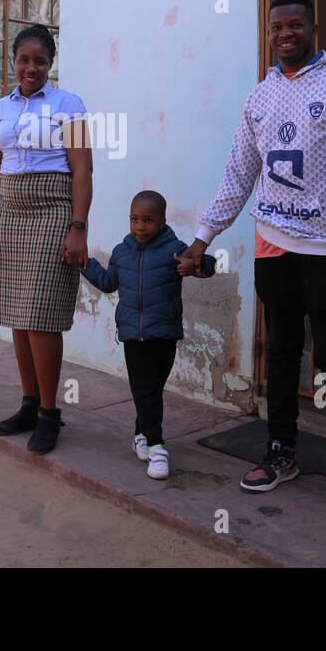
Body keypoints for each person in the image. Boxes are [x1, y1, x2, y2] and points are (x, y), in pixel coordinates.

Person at [178, 0, 326, 524]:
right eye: (277, 27)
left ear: (313, 28)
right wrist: (204, 236)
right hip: (273, 243)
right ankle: (281, 450)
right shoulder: (260, 97)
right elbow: (238, 175)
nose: (285, 34)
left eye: (295, 25)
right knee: (279, 352)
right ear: (269, 33)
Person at [0, 24, 92, 455]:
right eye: (25, 59)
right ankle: (27, 404)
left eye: (40, 60)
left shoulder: (69, 105)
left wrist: (78, 228)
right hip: (9, 213)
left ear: (50, 63)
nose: (32, 67)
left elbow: (82, 170)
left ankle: (49, 413)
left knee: (41, 314)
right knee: (18, 315)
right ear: (13, 61)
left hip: (52, 210)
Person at [80, 190, 216, 480]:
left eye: (148, 220)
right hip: (132, 335)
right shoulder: (121, 251)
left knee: (152, 389)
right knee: (146, 390)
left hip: (164, 333)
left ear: (163, 221)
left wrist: (197, 266)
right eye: (135, 219)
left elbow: (208, 264)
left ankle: (141, 432)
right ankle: (156, 447)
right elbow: (107, 283)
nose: (140, 226)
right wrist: (84, 264)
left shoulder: (175, 249)